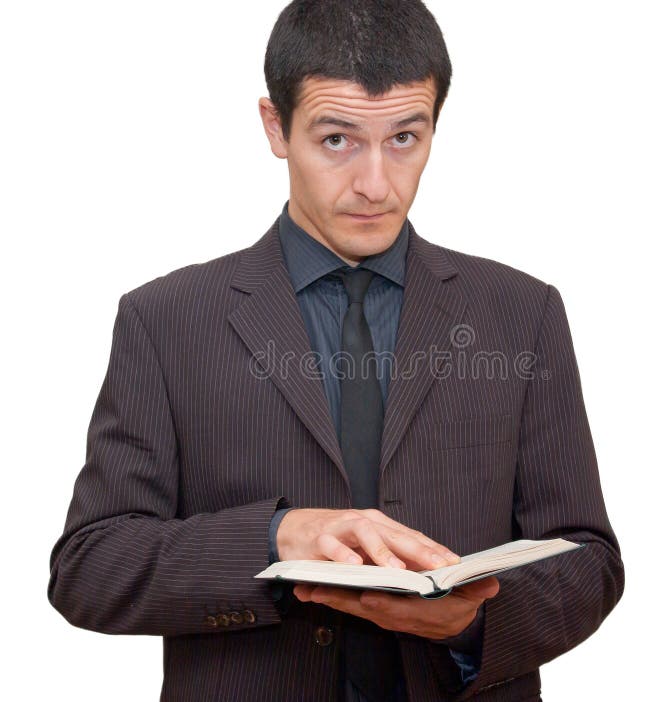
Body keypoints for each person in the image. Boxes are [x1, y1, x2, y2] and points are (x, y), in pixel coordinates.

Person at [48, 1, 624, 700]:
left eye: (405, 138)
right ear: (275, 127)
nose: (376, 185)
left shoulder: (521, 313)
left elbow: (590, 561)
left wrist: (469, 625)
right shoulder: (165, 321)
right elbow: (89, 566)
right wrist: (275, 539)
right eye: (337, 140)